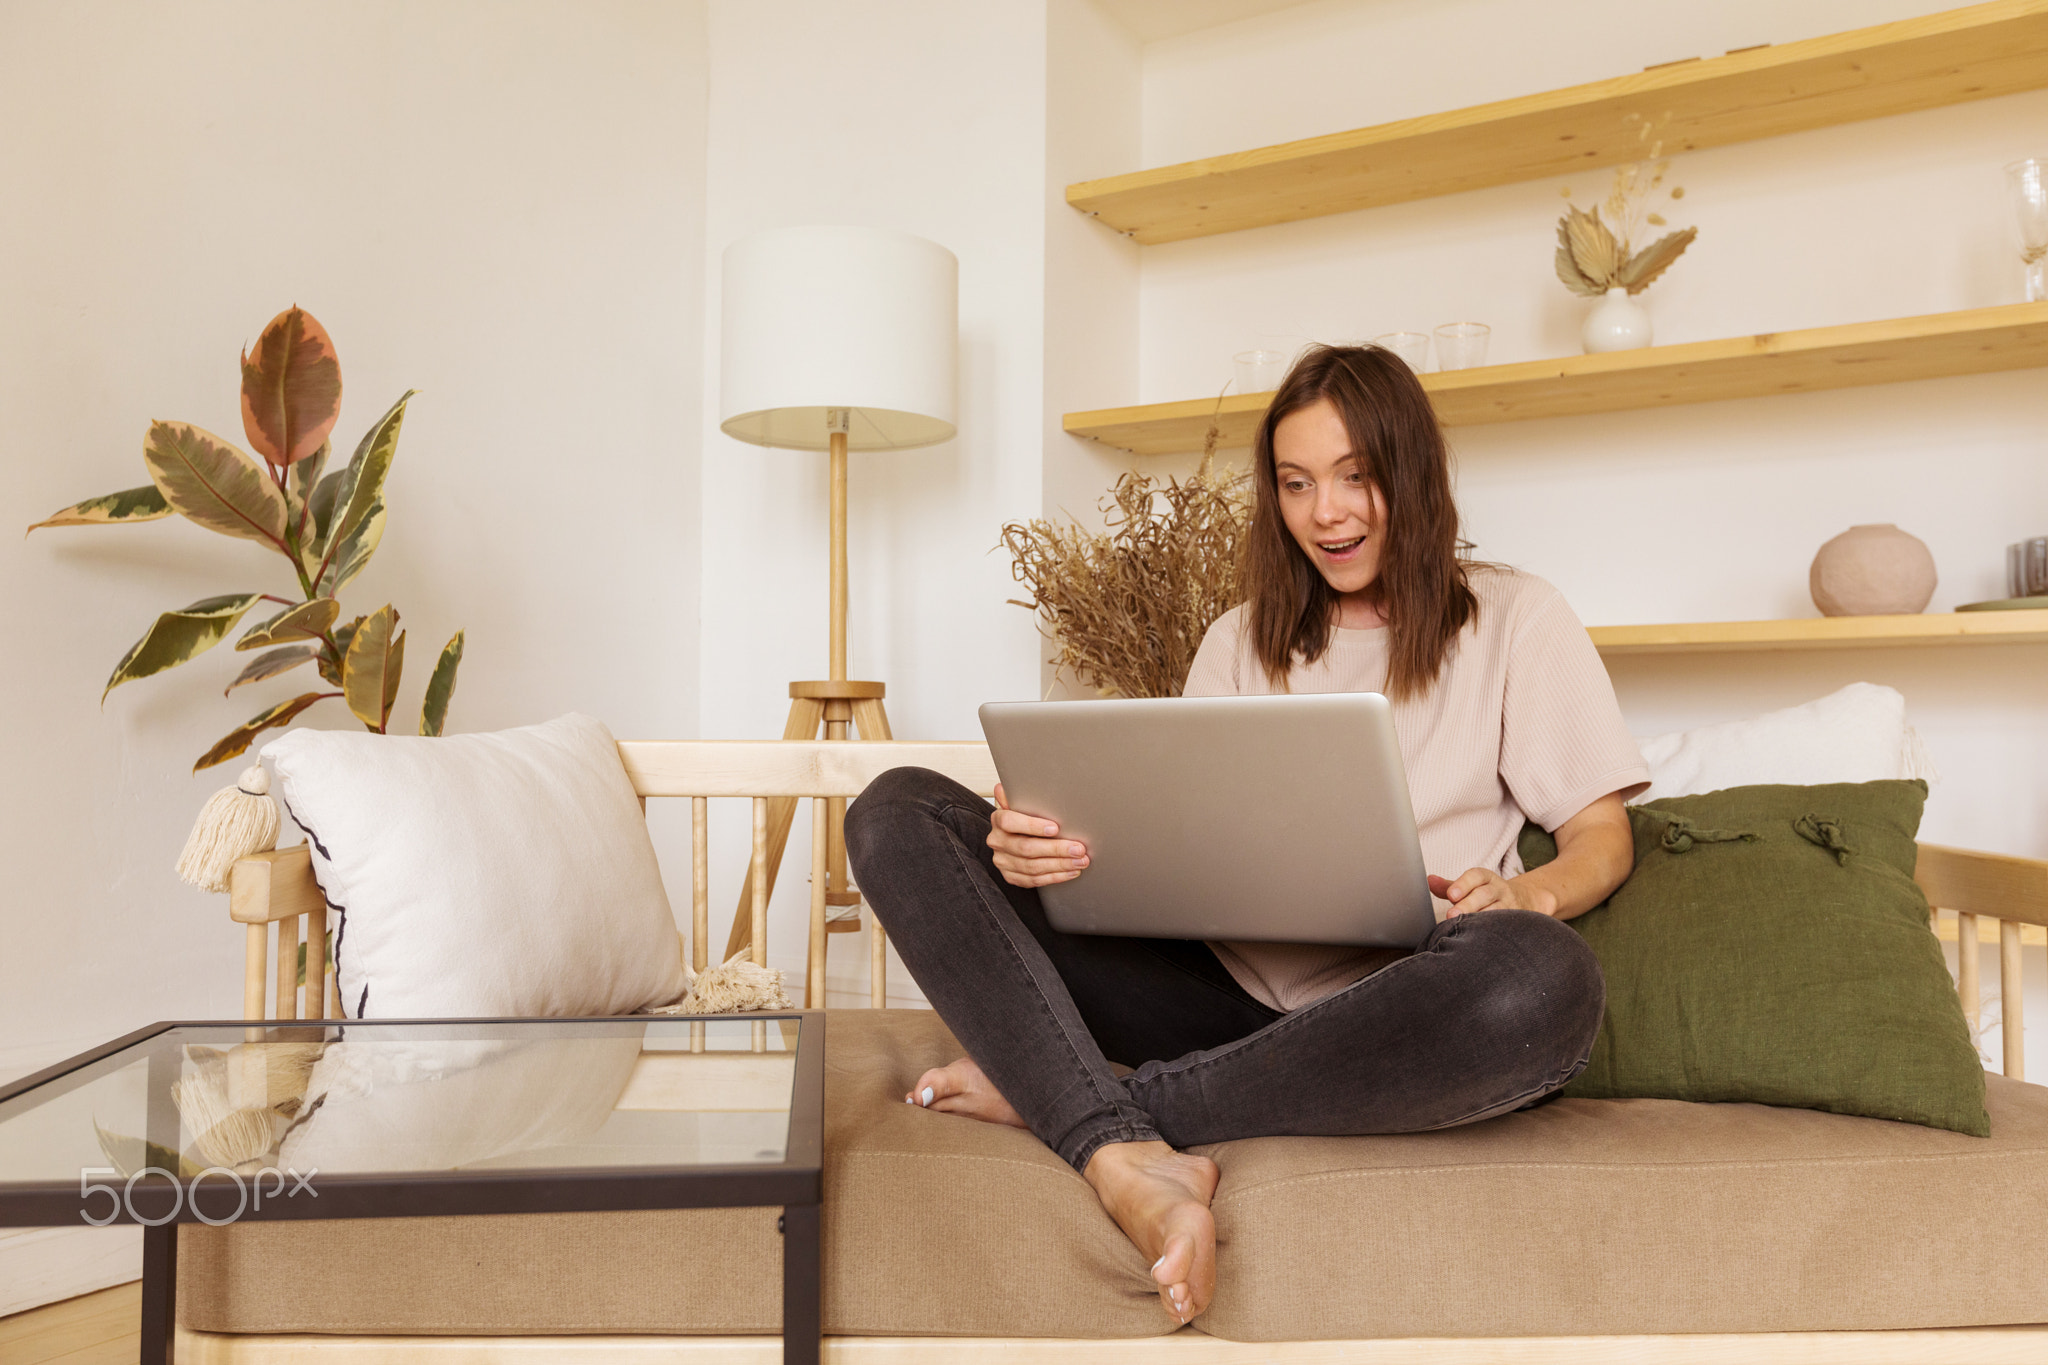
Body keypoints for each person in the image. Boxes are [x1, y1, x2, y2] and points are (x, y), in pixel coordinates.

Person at [844, 344, 1649, 1327]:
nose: (1328, 513)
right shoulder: (1237, 637)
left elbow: (1601, 837)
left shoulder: (1517, 618)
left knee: (1542, 979)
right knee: (897, 809)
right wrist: (1044, 860)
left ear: (1414, 475)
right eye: (1297, 483)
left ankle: (1084, 1108)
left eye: (1358, 477)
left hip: (1387, 1017)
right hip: (1204, 992)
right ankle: (1117, 1129)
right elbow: (1171, 856)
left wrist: (1530, 893)